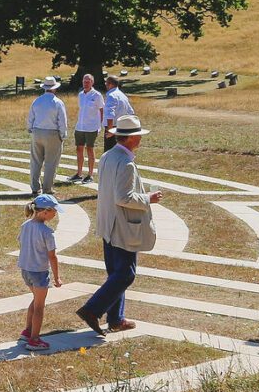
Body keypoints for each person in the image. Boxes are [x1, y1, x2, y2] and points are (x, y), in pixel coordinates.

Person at [76, 114, 160, 337]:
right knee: (125, 274)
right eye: (138, 136)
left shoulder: (107, 156)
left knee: (115, 273)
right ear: (132, 139)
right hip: (121, 225)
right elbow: (123, 197)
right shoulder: (126, 163)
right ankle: (93, 310)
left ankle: (116, 319)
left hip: (108, 222)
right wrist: (148, 198)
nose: (140, 140)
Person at [18, 194, 63, 349]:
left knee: (36, 299)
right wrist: (57, 278)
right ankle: (35, 340)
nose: (55, 214)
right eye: (54, 211)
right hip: (39, 272)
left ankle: (27, 331)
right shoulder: (47, 232)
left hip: (25, 270)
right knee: (39, 306)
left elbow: (22, 243)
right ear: (44, 212)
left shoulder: (25, 225)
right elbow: (52, 256)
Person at [26, 76, 67, 196]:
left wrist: (30, 129)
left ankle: (35, 187)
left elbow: (30, 118)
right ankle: (47, 188)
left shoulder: (37, 101)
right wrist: (62, 135)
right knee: (50, 162)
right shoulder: (58, 102)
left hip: (37, 132)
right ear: (54, 89)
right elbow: (62, 121)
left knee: (35, 161)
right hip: (52, 133)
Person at [70, 74, 105, 184]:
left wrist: (100, 124)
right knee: (79, 149)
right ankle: (79, 173)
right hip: (80, 126)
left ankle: (90, 174)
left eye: (88, 81)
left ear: (92, 82)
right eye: (84, 81)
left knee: (90, 149)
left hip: (91, 127)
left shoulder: (97, 95)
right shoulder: (80, 95)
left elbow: (101, 110)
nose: (86, 83)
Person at [102, 74, 135, 152]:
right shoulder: (123, 95)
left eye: (106, 83)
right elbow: (131, 112)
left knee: (109, 153)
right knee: (121, 151)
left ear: (110, 84)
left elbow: (110, 114)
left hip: (112, 127)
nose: (105, 85)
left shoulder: (111, 95)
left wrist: (110, 131)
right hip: (122, 128)